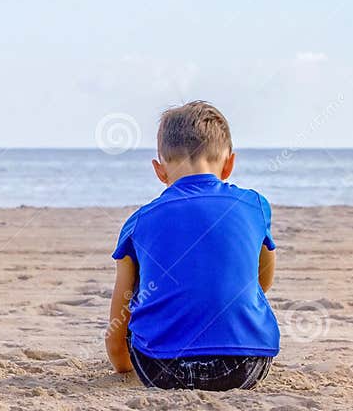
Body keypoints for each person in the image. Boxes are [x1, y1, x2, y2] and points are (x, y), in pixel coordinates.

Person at [105, 101, 279, 390]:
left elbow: (117, 323)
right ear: (229, 164)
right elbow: (263, 282)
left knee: (141, 281)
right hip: (242, 364)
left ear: (159, 171)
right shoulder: (255, 205)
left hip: (160, 368)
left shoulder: (139, 221)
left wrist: (125, 366)